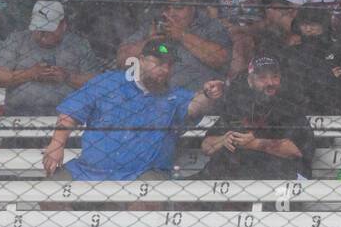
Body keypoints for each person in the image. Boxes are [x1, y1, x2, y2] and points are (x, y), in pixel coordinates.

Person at [42, 38, 224, 181]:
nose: (165, 69)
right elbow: (71, 111)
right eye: (159, 63)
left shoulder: (174, 96)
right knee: (48, 194)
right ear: (141, 60)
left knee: (146, 204)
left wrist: (208, 94)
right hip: (89, 171)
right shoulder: (108, 82)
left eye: (170, 65)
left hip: (142, 174)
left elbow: (195, 107)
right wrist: (57, 144)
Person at [197, 56, 313, 180]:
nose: (270, 83)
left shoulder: (289, 106)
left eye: (275, 76)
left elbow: (296, 150)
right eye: (262, 78)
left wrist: (253, 143)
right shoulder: (238, 105)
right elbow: (206, 146)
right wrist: (224, 140)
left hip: (278, 175)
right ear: (250, 80)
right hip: (232, 173)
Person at [0, 0, 99, 116]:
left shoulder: (78, 45)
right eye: (39, 28)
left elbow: (98, 84)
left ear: (63, 26)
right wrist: (30, 74)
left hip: (68, 116)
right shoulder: (17, 40)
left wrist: (67, 77)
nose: (43, 34)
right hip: (19, 115)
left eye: (48, 29)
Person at [118, 0, 231, 93]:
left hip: (196, 98)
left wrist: (182, 35)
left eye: (178, 7)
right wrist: (148, 40)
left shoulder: (210, 26)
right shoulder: (154, 26)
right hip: (151, 98)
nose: (171, 13)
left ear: (192, 7)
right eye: (167, 7)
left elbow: (221, 59)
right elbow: (122, 60)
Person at [281, 7, 341, 115]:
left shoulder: (338, 49)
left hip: (331, 103)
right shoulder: (292, 51)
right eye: (304, 24)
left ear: (323, 25)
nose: (308, 29)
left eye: (313, 24)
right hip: (299, 105)